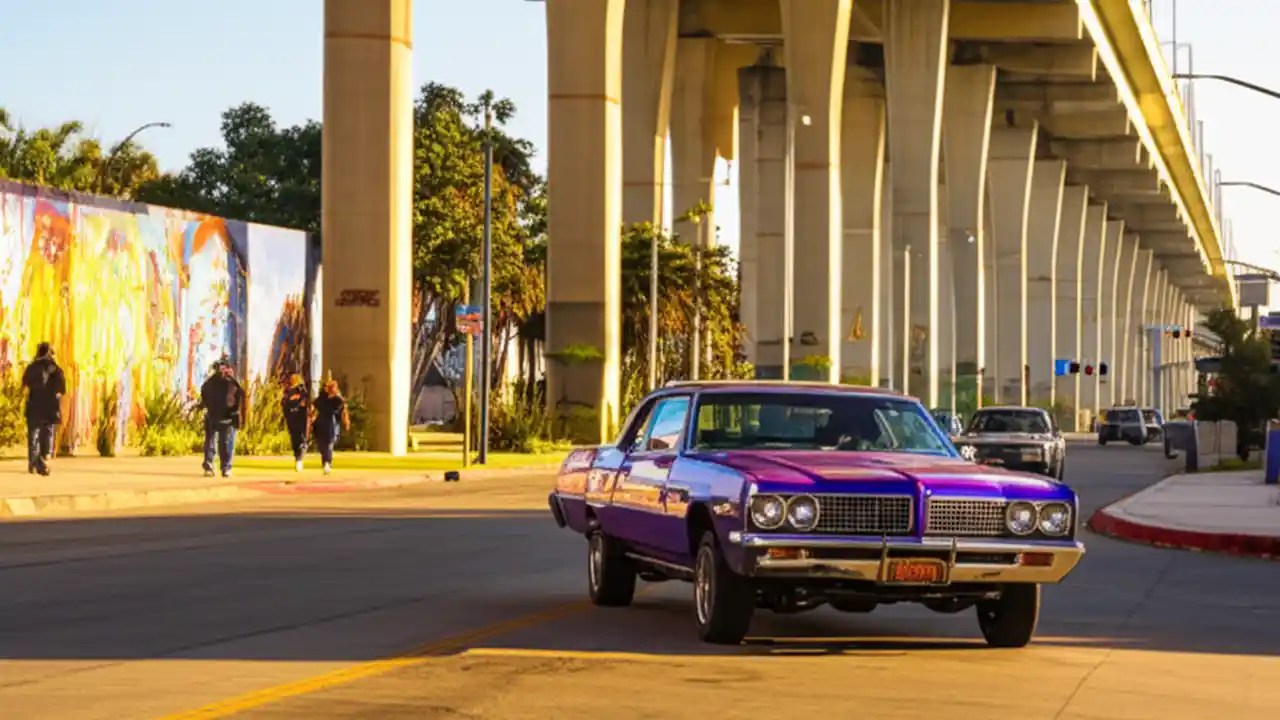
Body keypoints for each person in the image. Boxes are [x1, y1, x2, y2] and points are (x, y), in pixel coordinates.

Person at [21, 342, 65, 476]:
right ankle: (44, 460)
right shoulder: (56, 369)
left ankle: (33, 464)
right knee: (47, 434)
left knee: (33, 435)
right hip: (49, 408)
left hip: (34, 406)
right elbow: (60, 391)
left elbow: (25, 387)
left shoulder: (31, 367)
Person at [199, 358, 245, 477]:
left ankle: (221, 466)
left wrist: (236, 414)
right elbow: (239, 397)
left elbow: (240, 398)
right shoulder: (215, 383)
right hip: (218, 415)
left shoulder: (230, 383)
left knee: (221, 442)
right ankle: (217, 466)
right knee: (215, 442)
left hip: (225, 416)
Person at [312, 379, 350, 475]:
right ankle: (325, 462)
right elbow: (314, 408)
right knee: (322, 445)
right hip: (321, 423)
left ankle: (327, 463)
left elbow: (344, 411)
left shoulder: (338, 400)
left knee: (329, 444)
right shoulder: (321, 399)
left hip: (332, 424)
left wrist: (346, 421)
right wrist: (311, 418)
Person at [281, 373, 310, 472]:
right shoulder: (288, 392)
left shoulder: (301, 390)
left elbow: (305, 402)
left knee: (302, 439)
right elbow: (284, 404)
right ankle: (297, 457)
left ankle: (299, 458)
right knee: (295, 439)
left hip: (301, 418)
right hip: (291, 419)